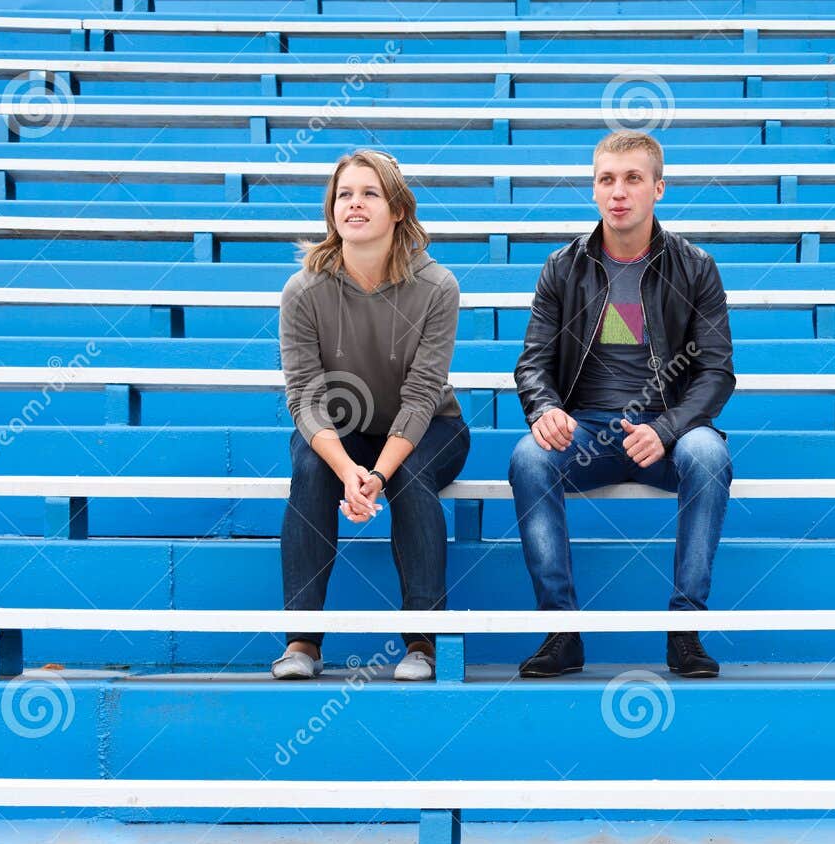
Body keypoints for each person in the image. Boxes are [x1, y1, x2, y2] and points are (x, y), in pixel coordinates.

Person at [509, 131, 735, 679]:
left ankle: (684, 630)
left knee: (708, 454)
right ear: (592, 190)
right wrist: (545, 411)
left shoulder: (695, 267)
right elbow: (532, 362)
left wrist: (666, 428)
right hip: (583, 430)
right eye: (607, 179)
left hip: (668, 433)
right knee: (527, 458)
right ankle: (561, 632)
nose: (619, 192)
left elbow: (716, 372)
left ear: (658, 188)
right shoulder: (563, 268)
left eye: (633, 178)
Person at [272, 149, 470, 681]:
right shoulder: (302, 291)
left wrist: (377, 475)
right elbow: (306, 399)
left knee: (408, 471)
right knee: (309, 467)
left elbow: (423, 395)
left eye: (369, 194)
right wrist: (348, 471)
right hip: (343, 434)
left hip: (431, 428)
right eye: (344, 195)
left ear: (398, 209)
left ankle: (423, 641)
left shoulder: (437, 286)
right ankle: (302, 643)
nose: (353, 205)